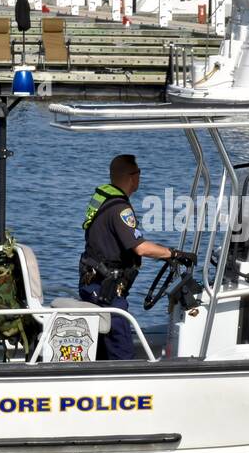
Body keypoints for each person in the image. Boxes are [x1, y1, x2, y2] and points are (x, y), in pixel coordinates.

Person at [79, 154, 194, 360]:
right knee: (122, 353)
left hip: (93, 285)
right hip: (108, 294)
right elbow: (140, 248)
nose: (140, 178)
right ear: (133, 177)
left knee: (105, 352)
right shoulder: (120, 208)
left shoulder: (103, 199)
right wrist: (173, 254)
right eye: (139, 173)